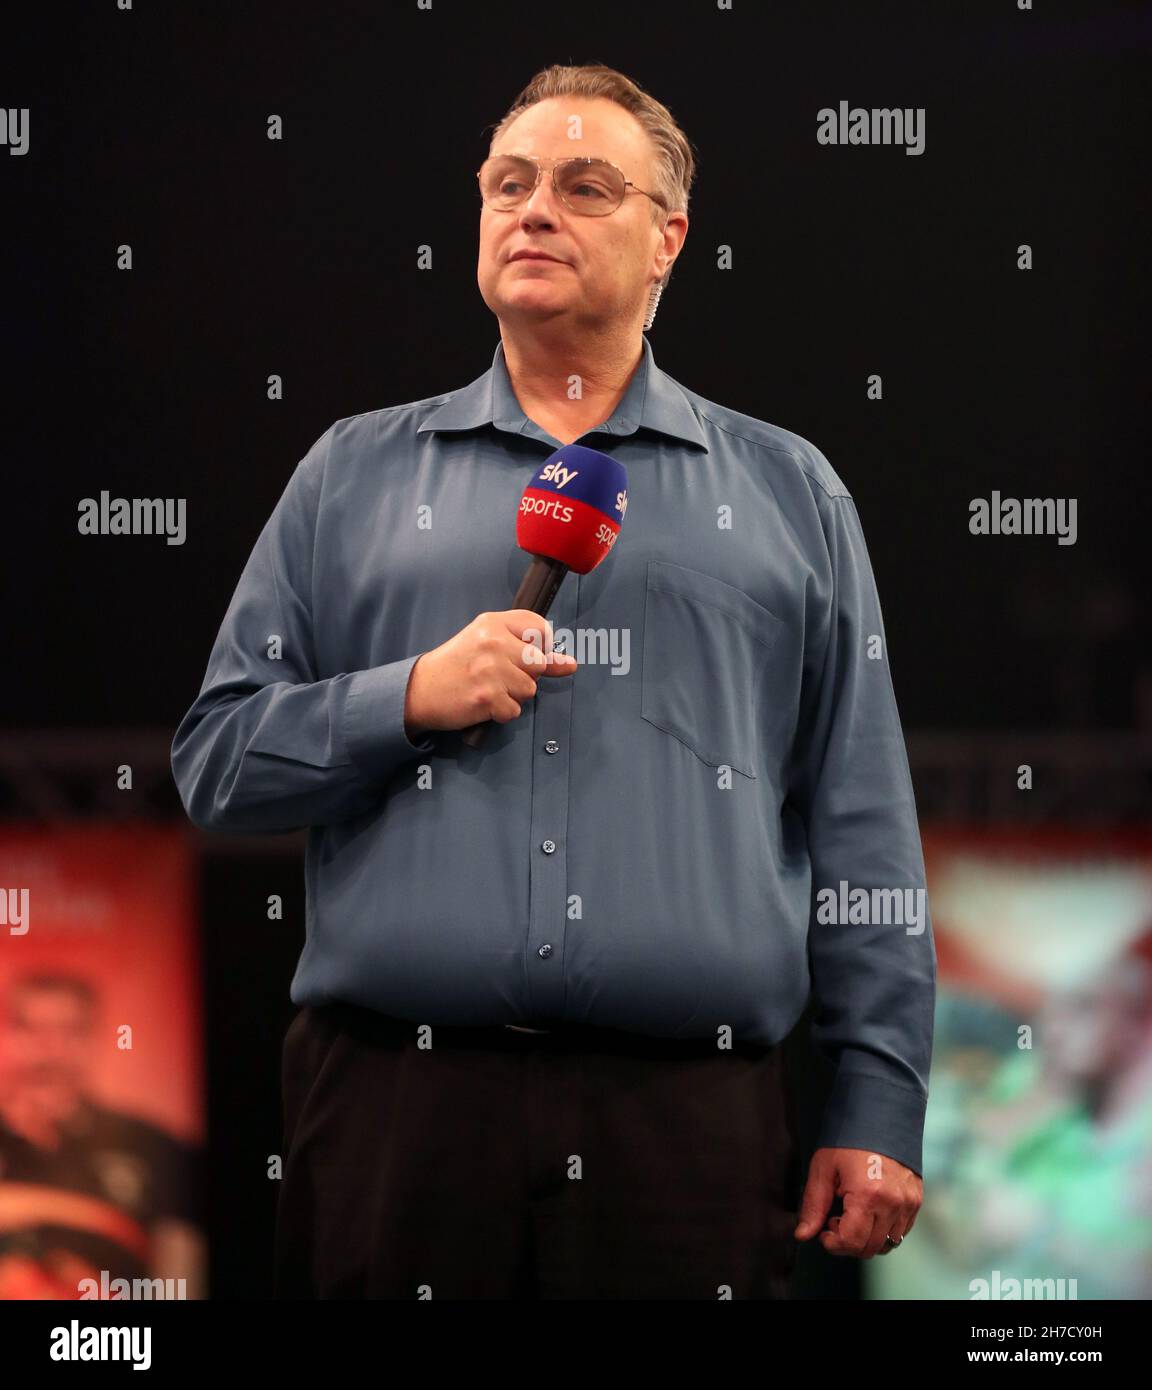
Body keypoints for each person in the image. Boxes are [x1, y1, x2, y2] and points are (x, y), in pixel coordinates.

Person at [172, 63, 936, 1299]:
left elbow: (863, 826)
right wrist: (407, 695)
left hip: (689, 1130)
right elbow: (215, 764)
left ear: (669, 238)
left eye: (585, 187)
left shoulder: (793, 492)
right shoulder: (350, 474)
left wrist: (881, 1095)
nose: (534, 211)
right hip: (394, 1119)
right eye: (508, 184)